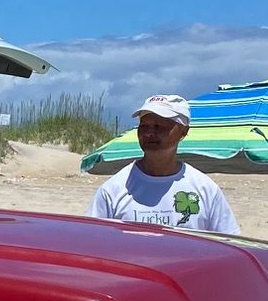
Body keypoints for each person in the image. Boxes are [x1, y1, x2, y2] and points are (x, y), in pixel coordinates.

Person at [87, 95, 240, 234]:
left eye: (160, 127)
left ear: (183, 131)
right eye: (144, 126)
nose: (149, 133)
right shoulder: (113, 189)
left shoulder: (205, 189)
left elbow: (229, 243)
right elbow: (94, 242)